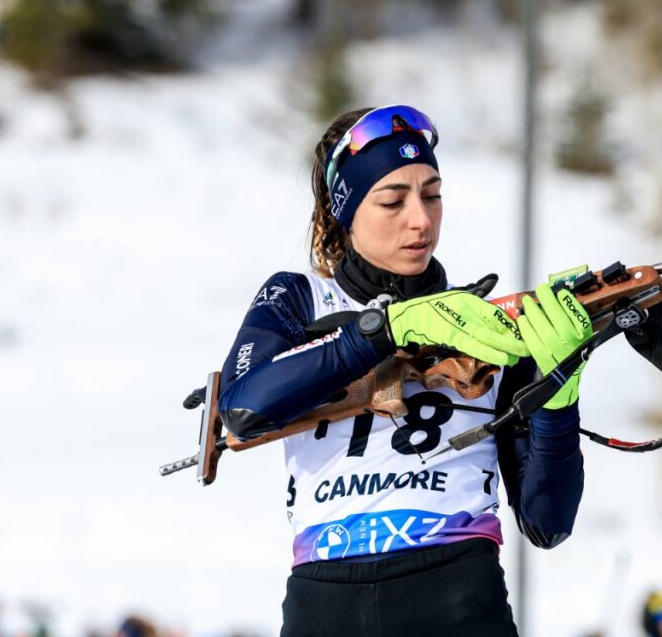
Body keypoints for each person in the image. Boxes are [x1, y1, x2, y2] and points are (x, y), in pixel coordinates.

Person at [216, 105, 591, 636]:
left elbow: (547, 522)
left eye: (432, 195)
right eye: (392, 200)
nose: (420, 219)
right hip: (325, 604)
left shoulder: (486, 326)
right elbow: (240, 408)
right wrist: (383, 330)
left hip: (458, 594)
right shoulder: (300, 298)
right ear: (344, 212)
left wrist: (558, 395)